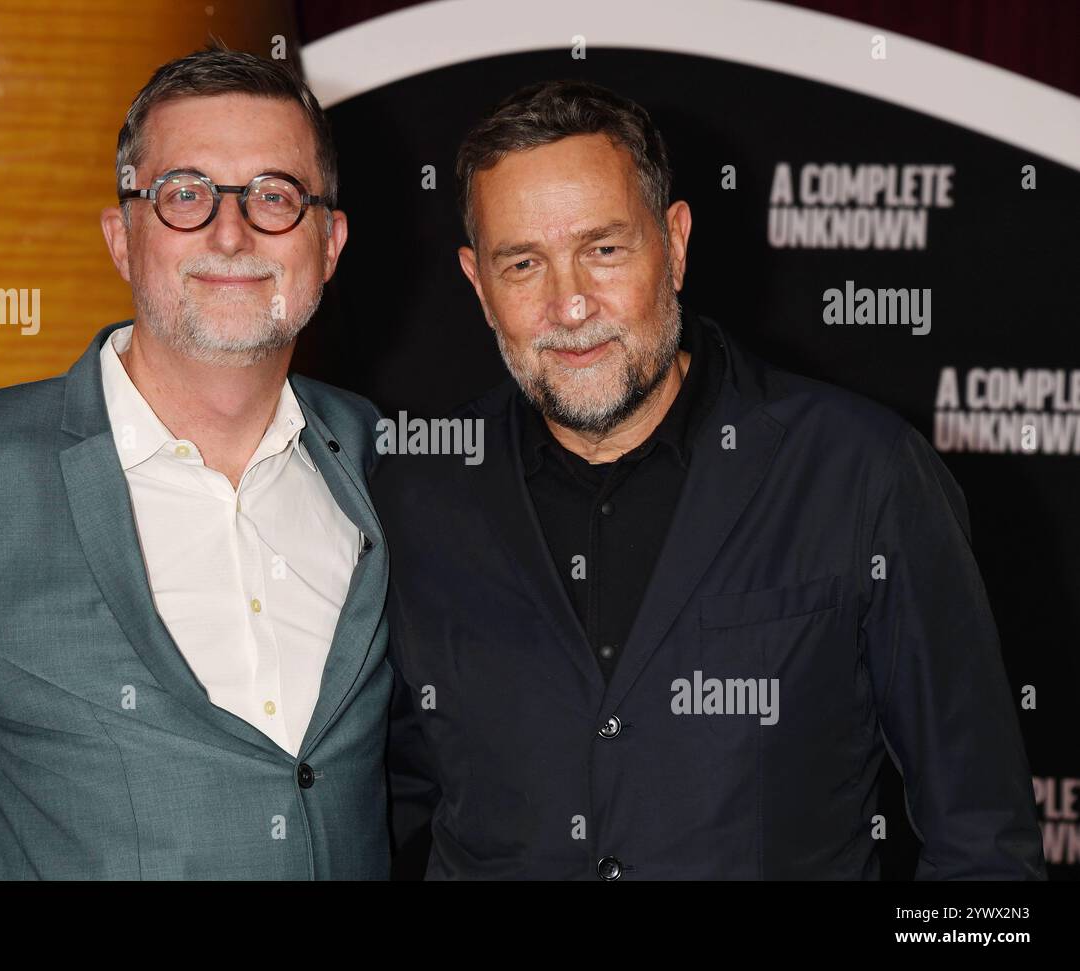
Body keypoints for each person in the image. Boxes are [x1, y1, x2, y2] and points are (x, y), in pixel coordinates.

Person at [373, 79, 1046, 880]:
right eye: (523, 263)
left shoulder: (860, 473)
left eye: (604, 249)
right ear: (479, 286)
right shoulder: (416, 494)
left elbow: (984, 846)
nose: (571, 302)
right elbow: (375, 799)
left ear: (676, 242)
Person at [0, 44, 391, 880]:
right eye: (184, 194)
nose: (230, 229)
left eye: (274, 196)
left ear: (329, 244)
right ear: (121, 236)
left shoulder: (371, 456)